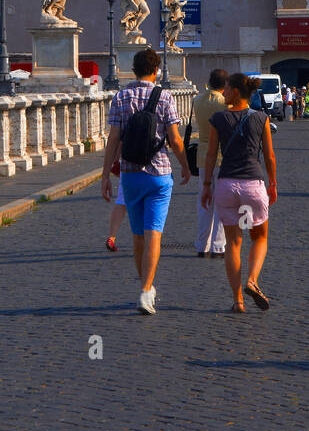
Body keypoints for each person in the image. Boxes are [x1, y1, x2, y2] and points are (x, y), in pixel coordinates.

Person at [101, 46, 190, 314]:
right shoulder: (165, 97)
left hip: (130, 174)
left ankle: (146, 287)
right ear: (156, 71)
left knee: (138, 236)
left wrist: (105, 174)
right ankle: (145, 291)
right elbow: (174, 139)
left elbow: (113, 139)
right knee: (155, 234)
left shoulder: (121, 96)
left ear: (134, 70)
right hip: (159, 174)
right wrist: (186, 165)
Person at [201, 73, 277, 313]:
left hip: (226, 185)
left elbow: (211, 155)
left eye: (225, 88)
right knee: (260, 237)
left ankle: (238, 301)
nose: (222, 92)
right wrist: (272, 184)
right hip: (253, 184)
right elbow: (269, 156)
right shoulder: (262, 118)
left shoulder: (218, 118)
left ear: (235, 92)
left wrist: (206, 184)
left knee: (233, 244)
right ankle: (252, 280)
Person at [192, 68, 228, 257]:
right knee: (221, 202)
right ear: (225, 85)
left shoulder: (197, 100)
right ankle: (218, 245)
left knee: (204, 201)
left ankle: (201, 244)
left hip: (202, 154)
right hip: (221, 154)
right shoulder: (225, 103)